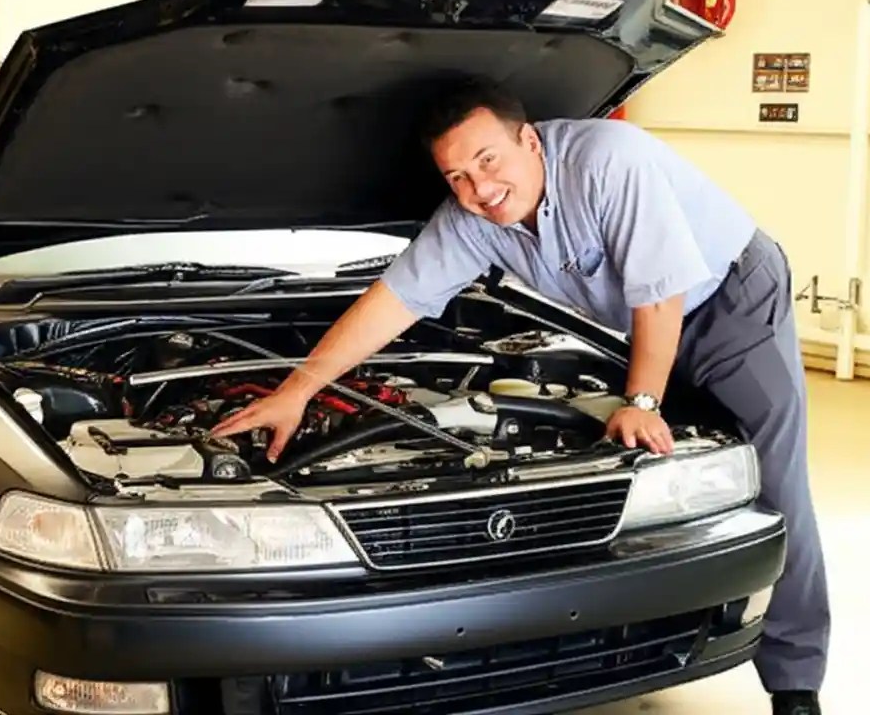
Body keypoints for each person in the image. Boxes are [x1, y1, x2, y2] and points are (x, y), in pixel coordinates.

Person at [210, 76, 830, 715]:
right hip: (642, 321)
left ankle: (795, 682)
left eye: (488, 161)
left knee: (776, 478)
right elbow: (392, 302)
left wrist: (642, 403)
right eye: (457, 177)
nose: (479, 190)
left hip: (731, 300)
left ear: (529, 141)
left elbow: (659, 295)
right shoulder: (473, 220)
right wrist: (298, 391)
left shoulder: (612, 161)